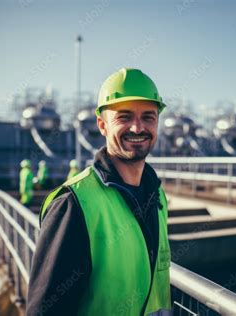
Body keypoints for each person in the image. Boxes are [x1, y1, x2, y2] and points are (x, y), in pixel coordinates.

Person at [27, 68, 171, 315]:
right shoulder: (74, 203)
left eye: (148, 117)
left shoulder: (157, 196)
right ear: (102, 125)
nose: (138, 128)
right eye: (124, 117)